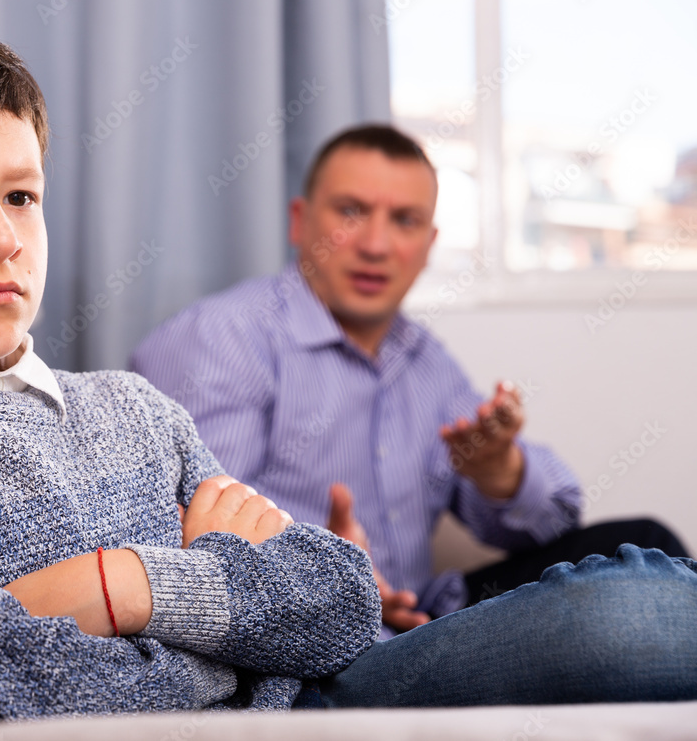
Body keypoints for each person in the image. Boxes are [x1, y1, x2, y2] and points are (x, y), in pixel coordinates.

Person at [0, 11, 697, 721]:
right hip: (303, 698)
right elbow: (5, 664)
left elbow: (336, 600)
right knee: (639, 613)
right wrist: (222, 602)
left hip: (339, 670)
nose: (0, 239)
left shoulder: (130, 409)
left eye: (22, 195)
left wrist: (123, 586)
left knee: (645, 578)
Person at [130, 124, 690, 636]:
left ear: (428, 243)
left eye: (404, 220)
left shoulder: (427, 364)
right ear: (300, 222)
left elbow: (552, 525)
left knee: (644, 546)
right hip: (306, 639)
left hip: (423, 621)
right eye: (351, 211)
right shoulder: (221, 337)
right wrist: (333, 583)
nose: (376, 244)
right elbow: (189, 536)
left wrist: (503, 473)